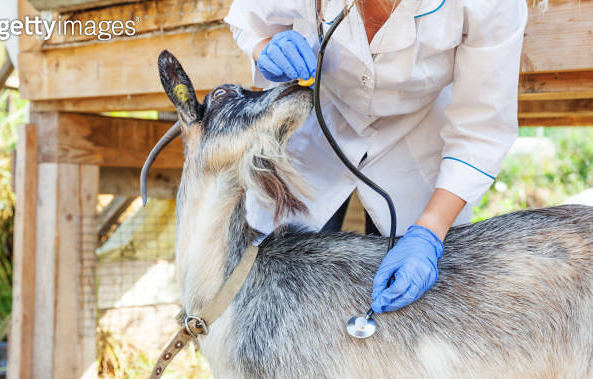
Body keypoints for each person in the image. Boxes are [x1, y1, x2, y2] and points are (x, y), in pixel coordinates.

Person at [224, 0, 527, 314]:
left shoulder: (493, 6)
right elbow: (249, 19)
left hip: (415, 135)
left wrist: (430, 230)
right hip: (320, 120)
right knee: (273, 293)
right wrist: (266, 48)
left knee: (411, 313)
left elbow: (481, 127)